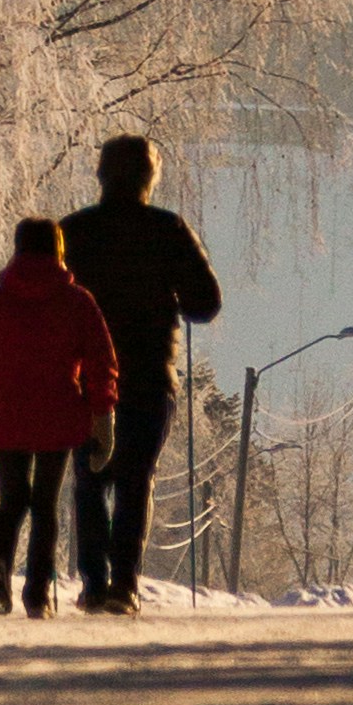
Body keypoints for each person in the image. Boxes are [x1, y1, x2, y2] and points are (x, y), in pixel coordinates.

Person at [59, 135, 224, 616]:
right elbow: (207, 303)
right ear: (150, 178)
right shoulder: (168, 229)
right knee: (136, 478)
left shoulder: (73, 231)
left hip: (85, 378)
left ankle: (91, 581)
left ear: (101, 175)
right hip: (150, 373)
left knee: (89, 477)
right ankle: (124, 584)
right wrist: (172, 301)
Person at [0, 218, 119, 621]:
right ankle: (38, 593)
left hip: (7, 416)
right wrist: (104, 418)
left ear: (17, 251)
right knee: (45, 505)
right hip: (58, 416)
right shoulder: (78, 303)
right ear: (59, 251)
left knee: (13, 499)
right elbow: (102, 364)